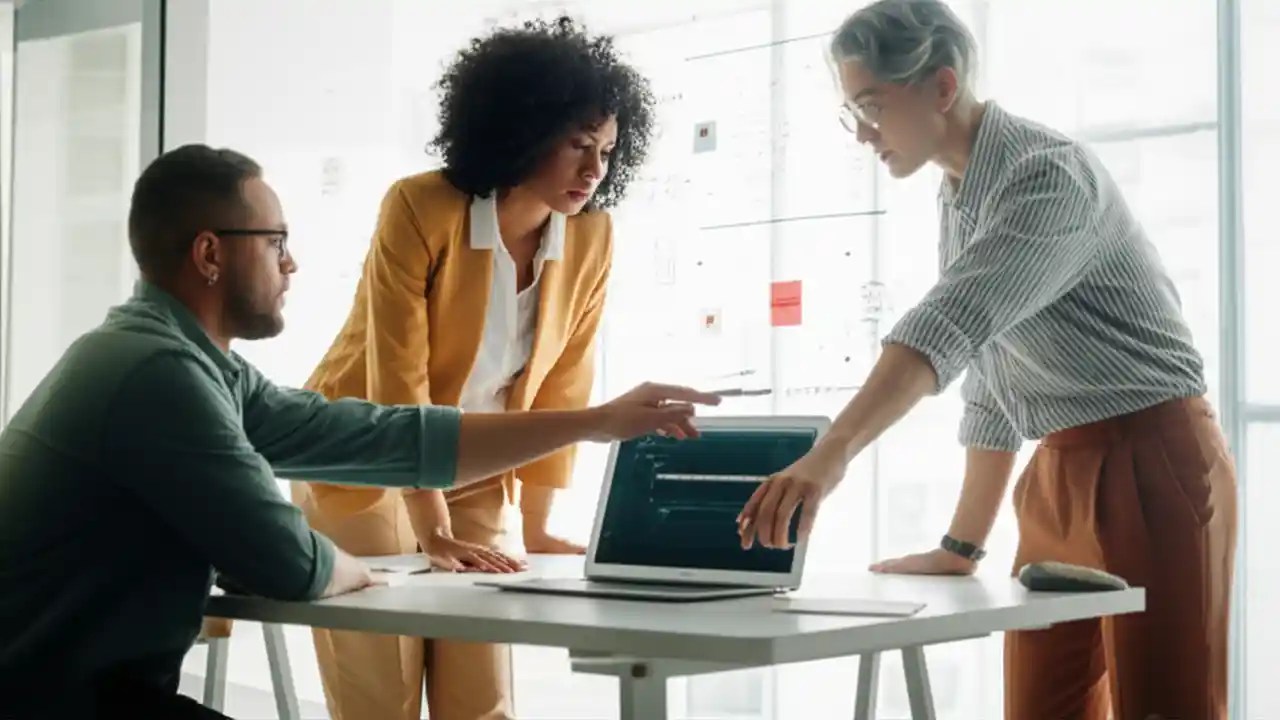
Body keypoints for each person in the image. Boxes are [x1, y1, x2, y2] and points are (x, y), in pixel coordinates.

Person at [0, 144, 717, 720]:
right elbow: (292, 562)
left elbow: (382, 436)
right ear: (211, 255)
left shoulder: (185, 359)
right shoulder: (158, 373)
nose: (292, 262)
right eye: (274, 240)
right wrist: (358, 567)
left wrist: (596, 422)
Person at [735, 2, 1235, 719]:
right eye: (852, 112)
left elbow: (951, 324)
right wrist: (961, 545)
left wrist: (832, 451)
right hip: (1056, 471)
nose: (863, 133)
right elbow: (993, 378)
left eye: (872, 105)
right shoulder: (957, 189)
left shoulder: (1046, 177)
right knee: (1041, 706)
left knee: (1165, 706)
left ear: (942, 87)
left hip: (1154, 458)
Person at [285, 16, 655, 720]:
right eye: (578, 145)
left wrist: (541, 522)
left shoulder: (591, 235)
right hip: (363, 462)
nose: (594, 170)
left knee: (481, 693)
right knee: (379, 694)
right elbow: (399, 377)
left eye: (607, 150)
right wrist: (428, 520)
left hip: (481, 465)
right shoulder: (420, 207)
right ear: (522, 128)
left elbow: (565, 381)